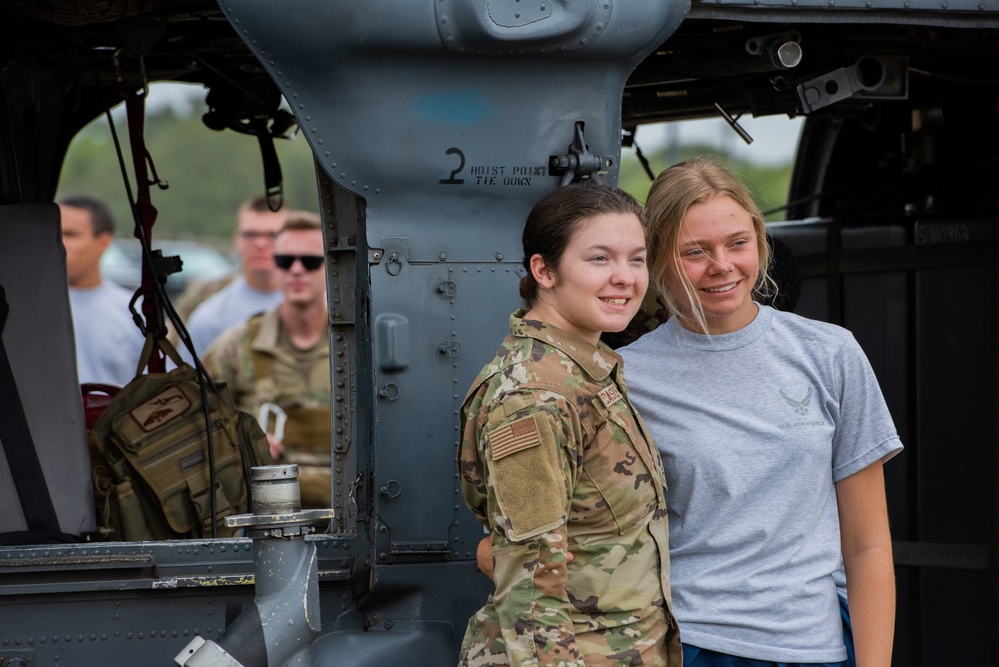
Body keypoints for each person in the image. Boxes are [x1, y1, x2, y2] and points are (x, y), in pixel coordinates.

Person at [619, 156, 901, 667]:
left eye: (737, 243)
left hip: (814, 644)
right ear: (657, 259)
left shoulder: (830, 354)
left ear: (759, 242)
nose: (721, 265)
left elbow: (868, 545)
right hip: (694, 645)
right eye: (694, 252)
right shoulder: (625, 379)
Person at [457, 182, 681, 667]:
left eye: (637, 259)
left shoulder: (585, 369)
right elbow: (531, 588)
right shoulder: (536, 395)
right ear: (544, 270)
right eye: (599, 259)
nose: (625, 277)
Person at [203, 212, 331, 508]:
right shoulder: (237, 346)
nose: (297, 270)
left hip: (347, 514)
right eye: (285, 260)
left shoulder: (355, 348)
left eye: (310, 262)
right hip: (266, 514)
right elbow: (199, 425)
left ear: (329, 267)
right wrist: (244, 445)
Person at [182, 195, 289, 360]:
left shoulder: (322, 307)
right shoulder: (210, 318)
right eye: (250, 234)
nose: (260, 243)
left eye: (272, 235)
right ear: (236, 240)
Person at [59, 195, 146, 387]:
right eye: (53, 233)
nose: (58, 243)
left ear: (103, 242)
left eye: (70, 234)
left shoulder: (135, 310)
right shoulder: (22, 310)